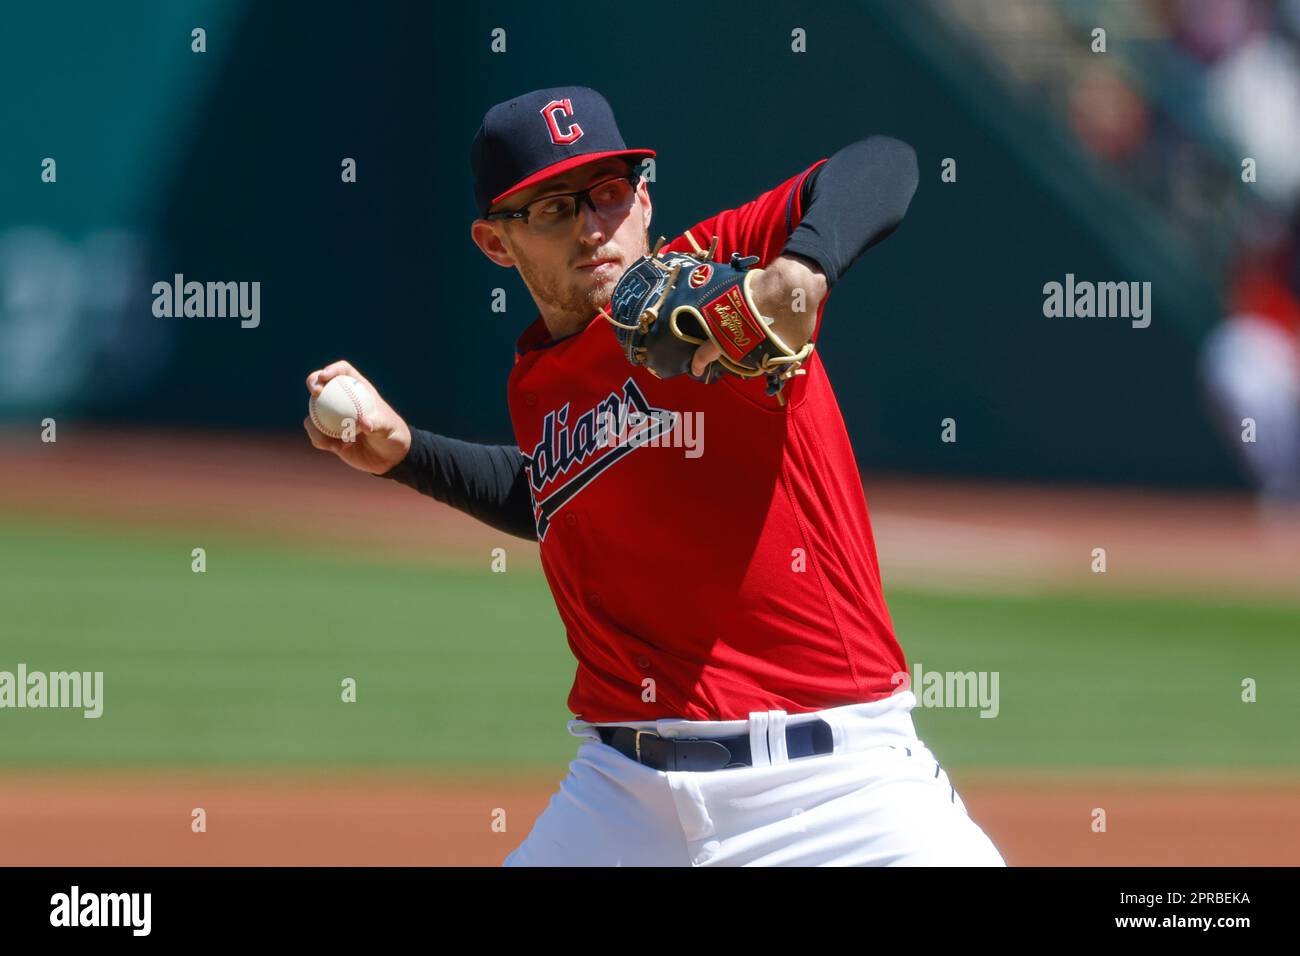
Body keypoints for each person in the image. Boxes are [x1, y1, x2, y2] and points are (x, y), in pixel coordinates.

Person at [304, 86, 1004, 866]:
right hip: (621, 798)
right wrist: (408, 454)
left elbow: (883, 163)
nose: (590, 225)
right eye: (551, 208)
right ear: (496, 244)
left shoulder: (711, 267)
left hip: (838, 789)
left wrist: (801, 268)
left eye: (608, 193)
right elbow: (558, 493)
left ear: (643, 196)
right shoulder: (536, 381)